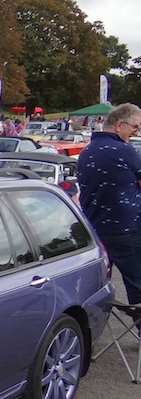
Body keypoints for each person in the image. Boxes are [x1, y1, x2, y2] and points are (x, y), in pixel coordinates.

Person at [77, 103, 141, 304]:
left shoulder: (86, 151)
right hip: (126, 229)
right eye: (135, 127)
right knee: (139, 286)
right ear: (120, 125)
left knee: (97, 286)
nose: (136, 132)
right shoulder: (124, 150)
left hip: (94, 230)